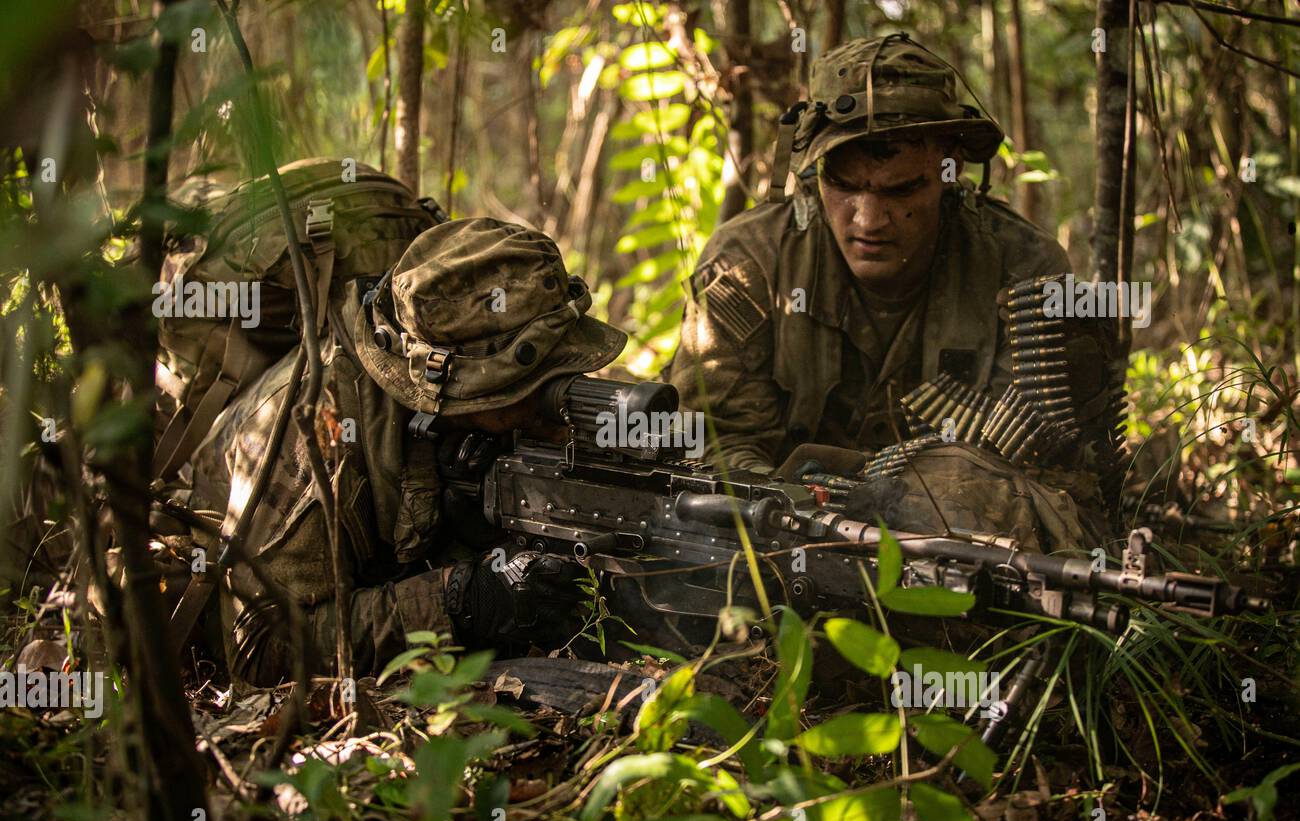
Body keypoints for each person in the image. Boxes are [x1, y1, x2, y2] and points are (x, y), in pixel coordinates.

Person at [666, 33, 1120, 547]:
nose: (868, 220)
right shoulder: (751, 263)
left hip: (961, 555)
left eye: (901, 189)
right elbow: (711, 439)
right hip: (780, 539)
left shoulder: (1021, 267)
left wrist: (902, 500)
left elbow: (1051, 476)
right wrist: (799, 510)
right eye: (842, 185)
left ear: (951, 167)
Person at [186, 218, 627, 687]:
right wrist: (458, 600)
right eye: (536, 386)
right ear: (463, 389)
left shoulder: (509, 389)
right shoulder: (315, 424)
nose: (555, 402)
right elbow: (259, 647)